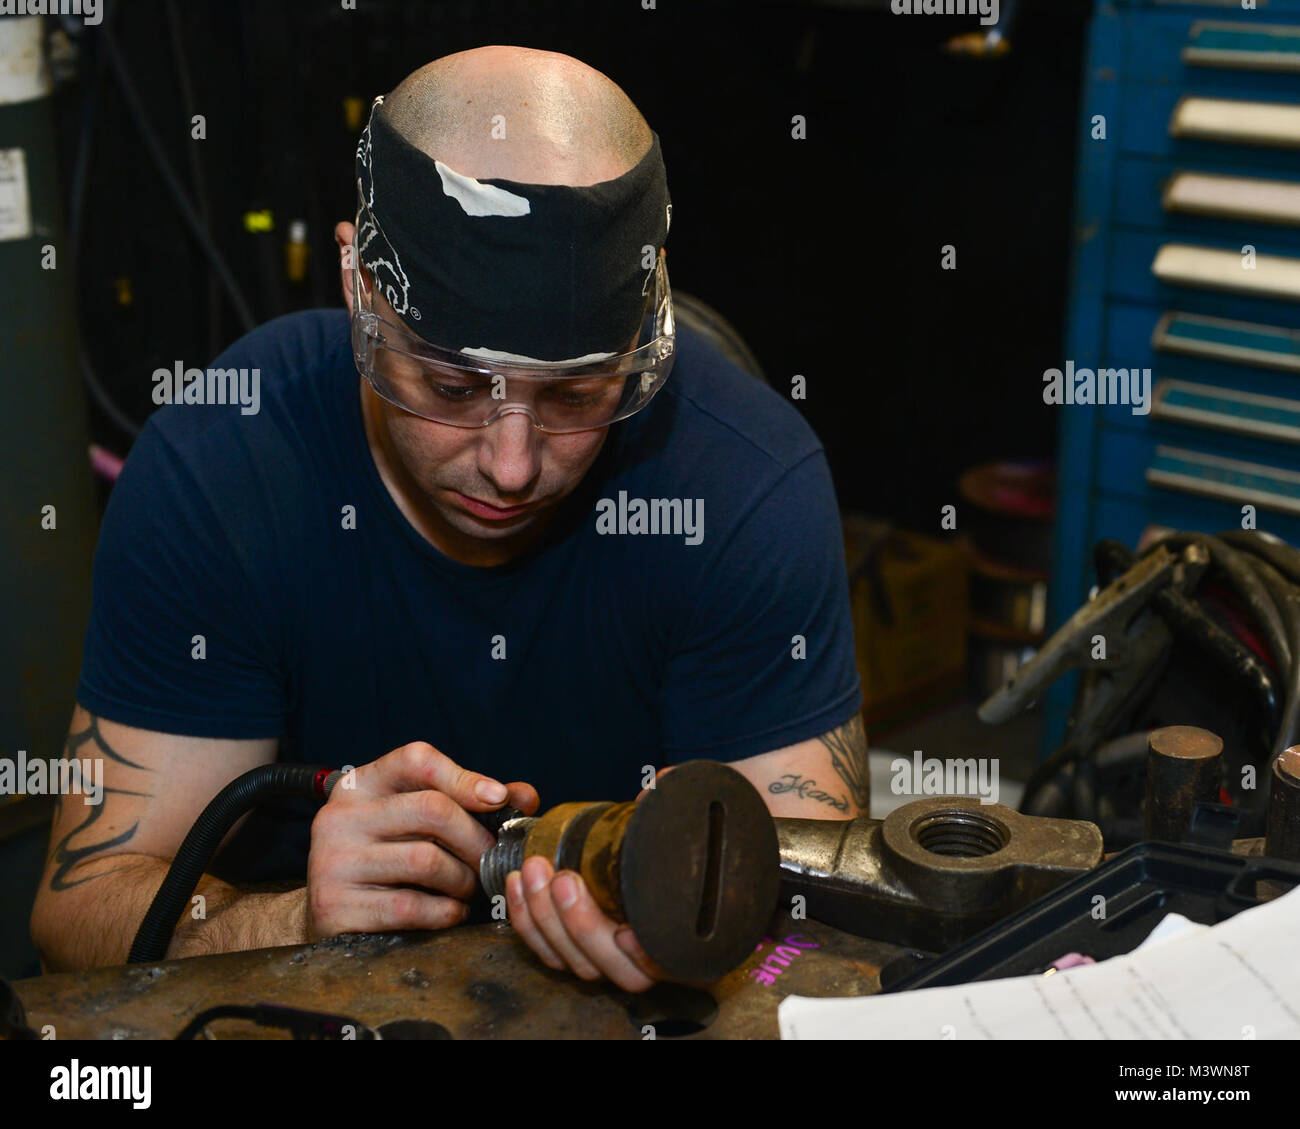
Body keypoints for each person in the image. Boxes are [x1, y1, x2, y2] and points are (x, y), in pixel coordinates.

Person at [30, 45, 865, 994]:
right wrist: (298, 919)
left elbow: (827, 914)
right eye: (451, 386)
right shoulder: (221, 471)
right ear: (359, 289)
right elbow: (76, 914)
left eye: (579, 394)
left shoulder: (744, 488)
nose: (512, 466)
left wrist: (700, 924)